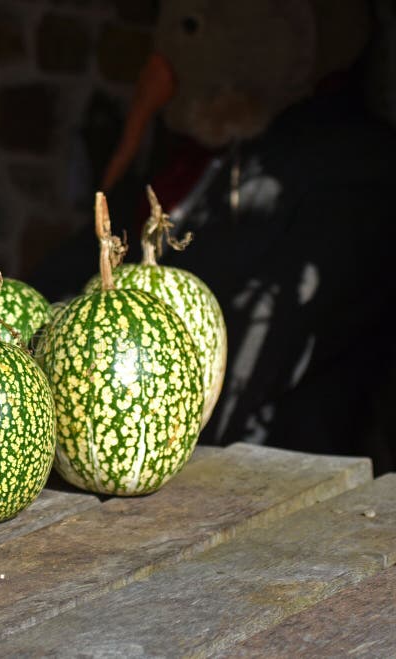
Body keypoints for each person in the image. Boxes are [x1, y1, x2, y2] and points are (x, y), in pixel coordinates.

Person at [30, 0, 396, 473]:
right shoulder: (207, 151)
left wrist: (168, 442)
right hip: (134, 440)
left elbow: (268, 341)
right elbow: (92, 253)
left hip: (266, 461)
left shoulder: (355, 166)